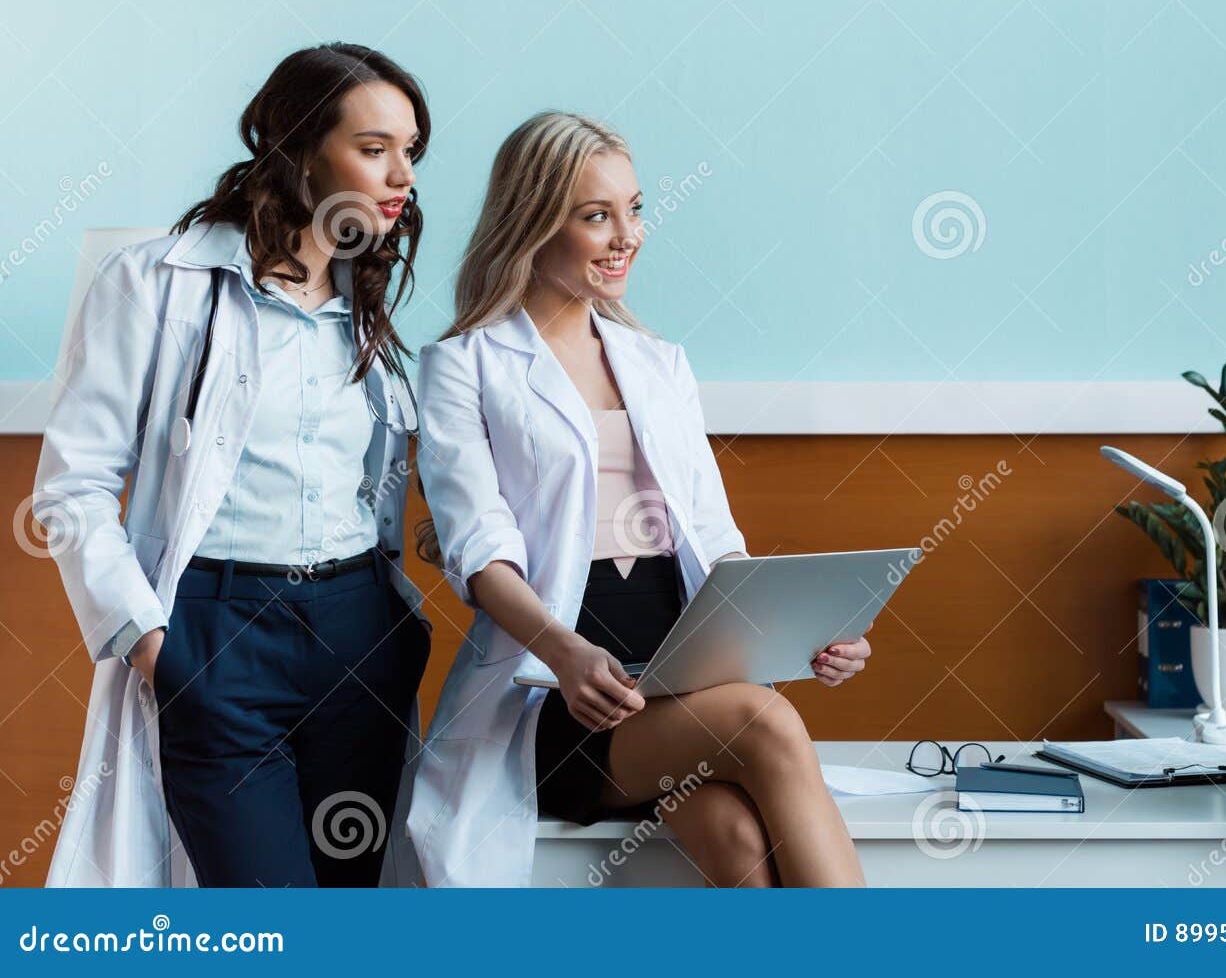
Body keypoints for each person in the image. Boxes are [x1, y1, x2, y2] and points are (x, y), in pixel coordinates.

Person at [407, 110, 871, 887]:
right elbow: (479, 554)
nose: (628, 235)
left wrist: (801, 635)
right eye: (597, 216)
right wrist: (565, 653)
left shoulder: (660, 363)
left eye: (635, 209)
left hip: (684, 679)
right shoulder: (463, 365)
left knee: (733, 837)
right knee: (767, 722)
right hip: (561, 698)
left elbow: (715, 538)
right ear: (533, 223)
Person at [36, 44, 433, 886]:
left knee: (349, 912)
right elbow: (72, 489)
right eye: (373, 149)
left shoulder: (366, 302)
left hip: (358, 630)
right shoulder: (155, 283)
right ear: (296, 146)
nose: (401, 174)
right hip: (218, 633)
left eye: (410, 151)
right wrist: (156, 650)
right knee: (268, 920)